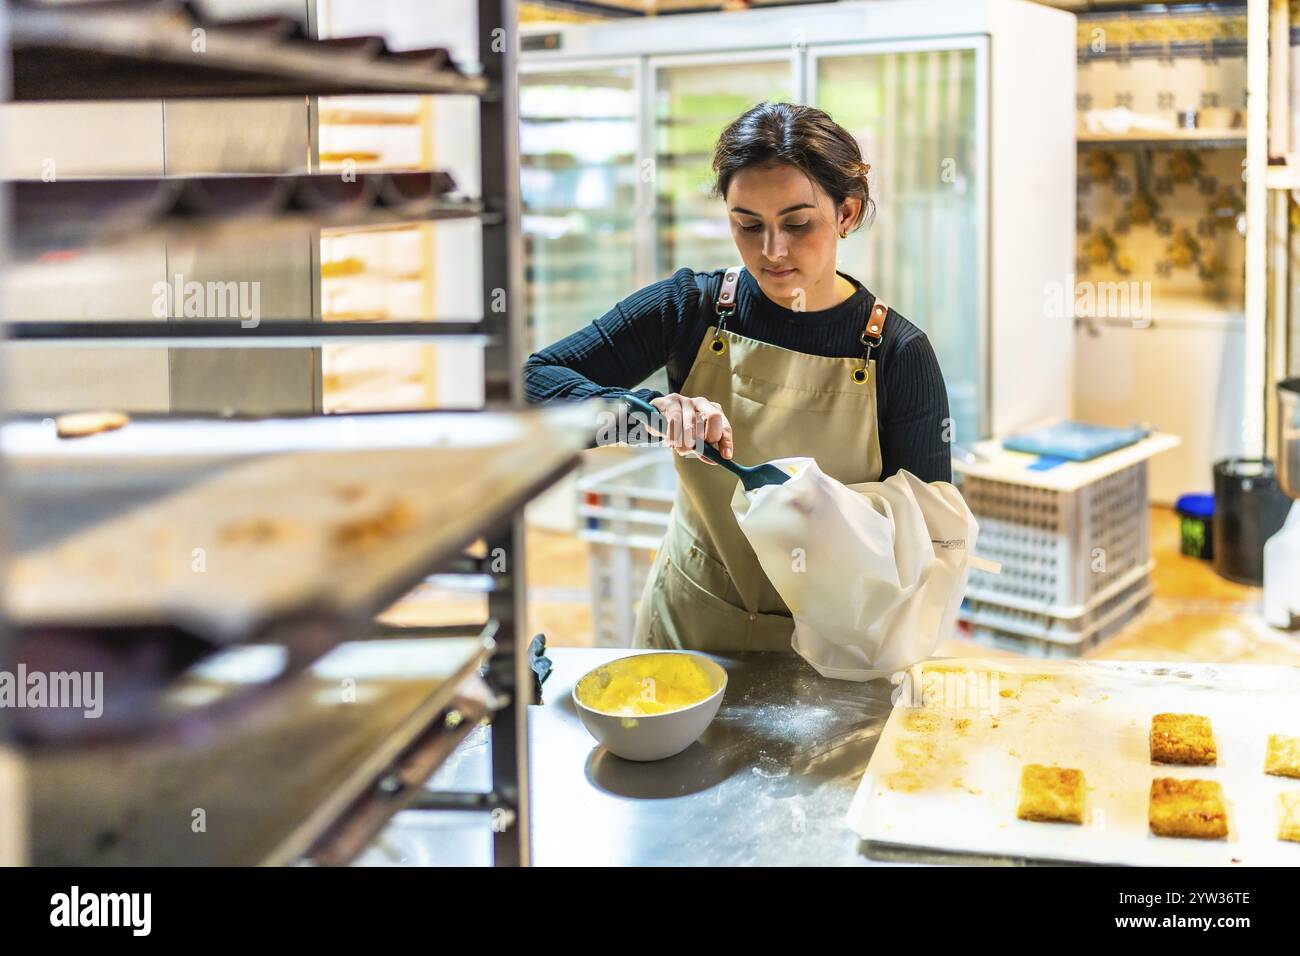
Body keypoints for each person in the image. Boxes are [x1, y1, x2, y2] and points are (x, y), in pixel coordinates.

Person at [524, 101, 951, 651]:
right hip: (691, 626)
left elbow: (930, 540)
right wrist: (647, 413)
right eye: (747, 225)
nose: (772, 251)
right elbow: (533, 383)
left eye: (798, 224)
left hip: (835, 646)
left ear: (847, 214)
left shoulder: (898, 353)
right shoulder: (689, 309)